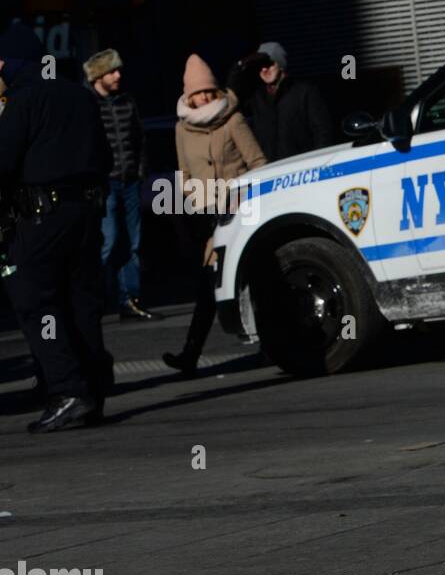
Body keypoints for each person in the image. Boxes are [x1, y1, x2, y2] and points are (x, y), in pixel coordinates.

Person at [0, 22, 114, 432]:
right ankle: (93, 390)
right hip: (85, 213)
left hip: (40, 218)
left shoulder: (21, 101)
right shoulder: (79, 97)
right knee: (81, 303)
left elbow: (3, 163)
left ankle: (68, 390)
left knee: (37, 304)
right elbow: (105, 157)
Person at [164, 54, 266, 376]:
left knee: (254, 280)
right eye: (199, 92)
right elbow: (183, 173)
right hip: (208, 218)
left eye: (210, 90)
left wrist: (244, 198)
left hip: (241, 211)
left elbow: (259, 163)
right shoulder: (181, 129)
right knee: (209, 286)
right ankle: (190, 355)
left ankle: (273, 344)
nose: (206, 97)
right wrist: (192, 207)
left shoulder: (233, 119)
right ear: (188, 96)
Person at [84, 47, 162, 321]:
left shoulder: (126, 101)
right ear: (98, 76)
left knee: (133, 242)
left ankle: (130, 299)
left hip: (129, 181)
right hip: (105, 183)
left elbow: (139, 138)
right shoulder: (88, 104)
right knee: (108, 241)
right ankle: (88, 299)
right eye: (111, 71)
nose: (118, 75)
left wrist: (140, 170)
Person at [245, 42, 332, 162]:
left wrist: (318, 163)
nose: (264, 69)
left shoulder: (304, 91)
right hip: (271, 171)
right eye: (259, 66)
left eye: (268, 64)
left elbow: (323, 132)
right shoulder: (256, 98)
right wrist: (241, 64)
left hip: (303, 168)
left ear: (280, 64)